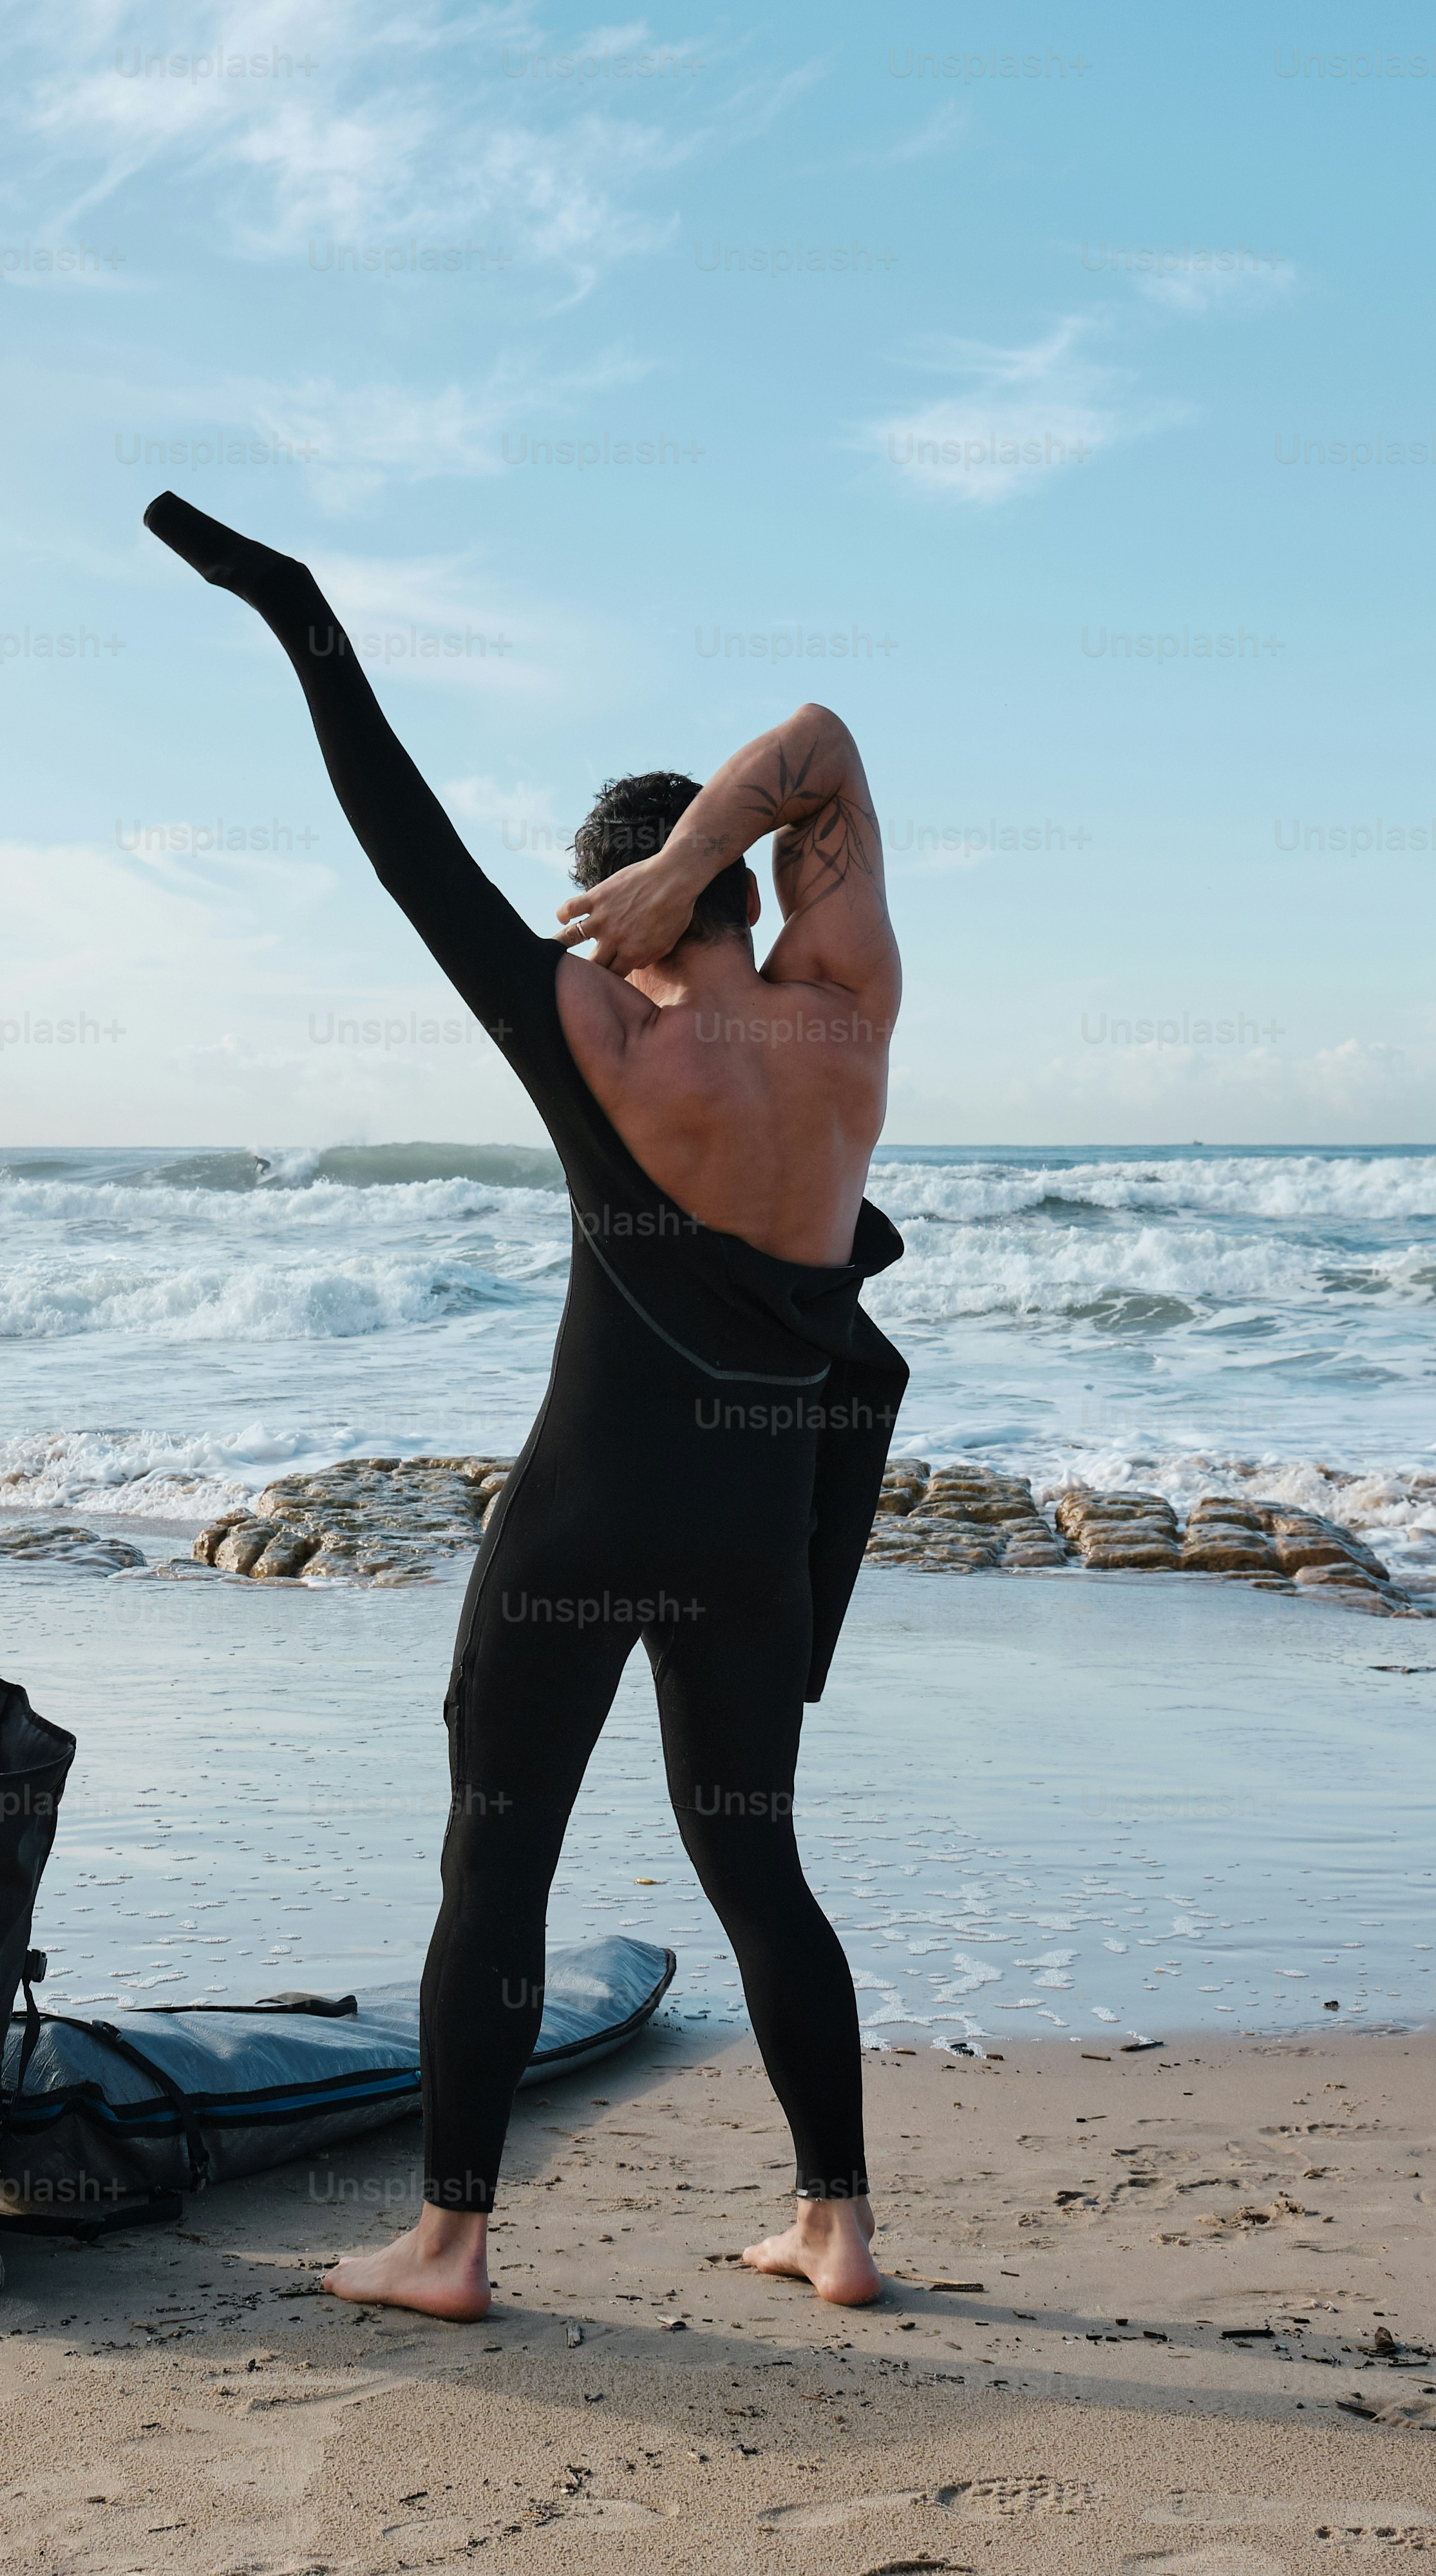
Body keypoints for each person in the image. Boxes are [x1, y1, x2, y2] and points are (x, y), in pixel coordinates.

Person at [145, 493, 909, 2318]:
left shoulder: (604, 1034)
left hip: (585, 1514)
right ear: (745, 877)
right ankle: (841, 2228)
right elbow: (829, 749)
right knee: (761, 1865)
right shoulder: (849, 1012)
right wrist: (703, 852)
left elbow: (401, 845)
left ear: (625, 904)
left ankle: (451, 2245)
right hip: (753, 1524)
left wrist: (298, 611)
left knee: (499, 1850)